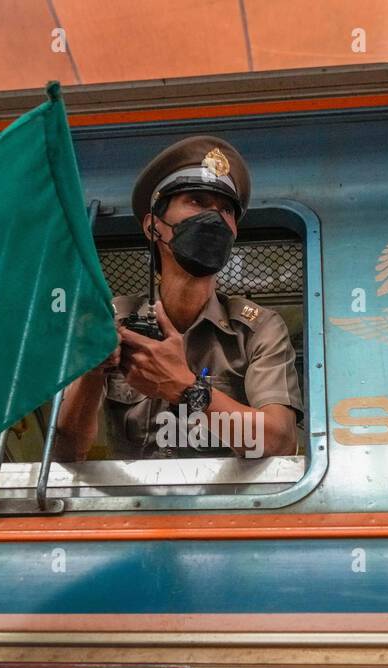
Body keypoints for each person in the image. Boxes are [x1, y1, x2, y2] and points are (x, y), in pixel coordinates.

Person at [54, 136, 302, 461]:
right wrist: (93, 369)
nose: (214, 218)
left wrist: (188, 389)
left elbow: (281, 444)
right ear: (154, 226)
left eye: (226, 209)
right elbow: (64, 452)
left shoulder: (258, 330)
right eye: (196, 201)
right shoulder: (110, 320)